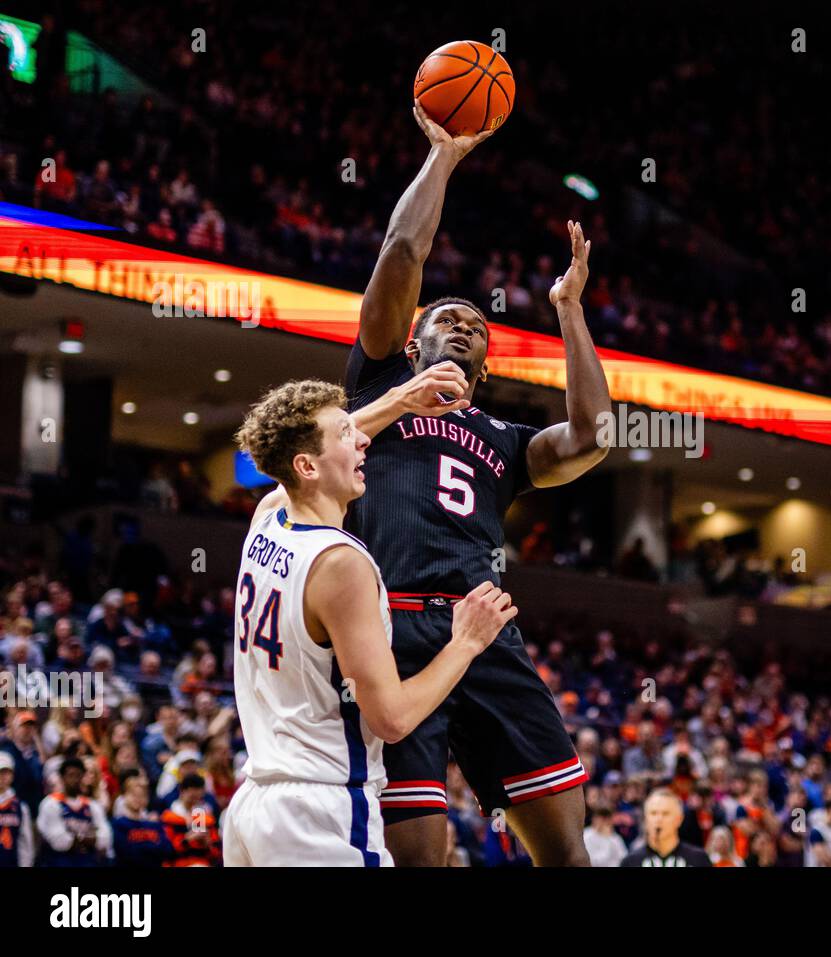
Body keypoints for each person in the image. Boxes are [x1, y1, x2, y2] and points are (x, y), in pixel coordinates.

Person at [343, 102, 611, 867]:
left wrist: (569, 311)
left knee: (568, 851)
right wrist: (445, 157)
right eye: (446, 318)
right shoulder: (380, 383)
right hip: (390, 630)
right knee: (420, 857)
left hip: (484, 629)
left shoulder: (504, 439)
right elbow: (401, 247)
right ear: (413, 337)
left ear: (488, 365)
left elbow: (594, 437)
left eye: (476, 326)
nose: (463, 325)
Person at [222, 379, 515, 866]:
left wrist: (401, 401)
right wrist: (465, 641)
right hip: (320, 814)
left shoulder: (270, 517)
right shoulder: (340, 564)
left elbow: (309, 450)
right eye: (344, 433)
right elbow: (392, 719)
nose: (362, 439)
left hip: (257, 803)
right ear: (307, 466)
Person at [36, 757, 112, 866]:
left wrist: (76, 839)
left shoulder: (92, 805)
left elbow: (105, 839)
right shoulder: (50, 803)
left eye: (78, 775)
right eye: (71, 775)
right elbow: (59, 842)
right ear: (62, 777)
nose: (75, 780)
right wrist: (89, 839)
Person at [619, 789, 712, 867]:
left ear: (679, 819)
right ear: (645, 819)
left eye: (665, 813)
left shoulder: (699, 859)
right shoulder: (630, 862)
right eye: (653, 813)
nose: (659, 819)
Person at [0, 751, 35, 866]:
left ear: (12, 775)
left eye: (5, 772)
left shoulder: (21, 807)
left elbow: (25, 842)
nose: (2, 777)